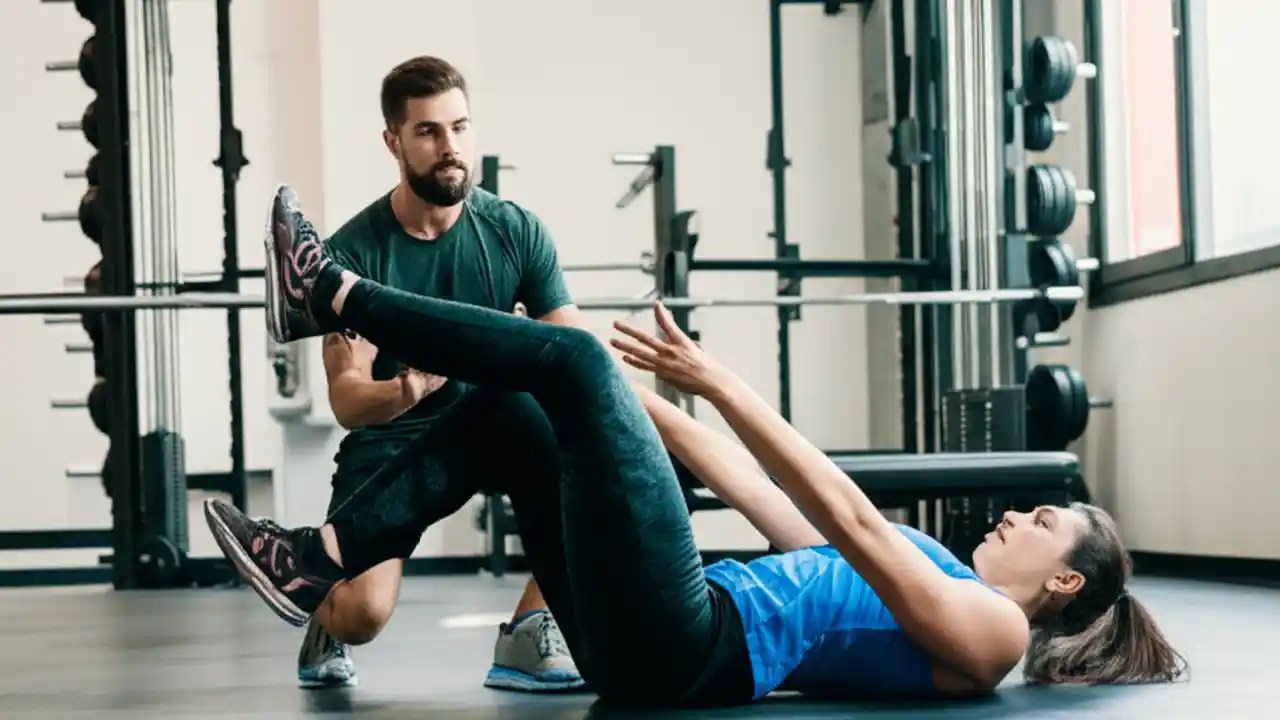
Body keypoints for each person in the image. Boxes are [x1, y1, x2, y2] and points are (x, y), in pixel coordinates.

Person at [212, 186, 1189, 705]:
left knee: (564, 370)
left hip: (686, 651)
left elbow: (842, 516)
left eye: (1042, 521)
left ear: (1062, 582)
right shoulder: (945, 569)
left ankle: (330, 296)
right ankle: (321, 560)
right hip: (646, 636)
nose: (1018, 514)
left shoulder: (994, 638)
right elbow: (771, 505)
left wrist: (716, 382)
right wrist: (645, 394)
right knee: (519, 403)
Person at [288, 54, 585, 692]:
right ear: (393, 141)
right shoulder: (351, 256)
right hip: (398, 441)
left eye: (460, 126)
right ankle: (326, 613)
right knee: (365, 613)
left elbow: (578, 356)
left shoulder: (515, 231)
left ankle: (530, 630)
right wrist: (408, 388)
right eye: (428, 131)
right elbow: (347, 401)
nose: (450, 147)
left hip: (498, 425)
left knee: (605, 483)